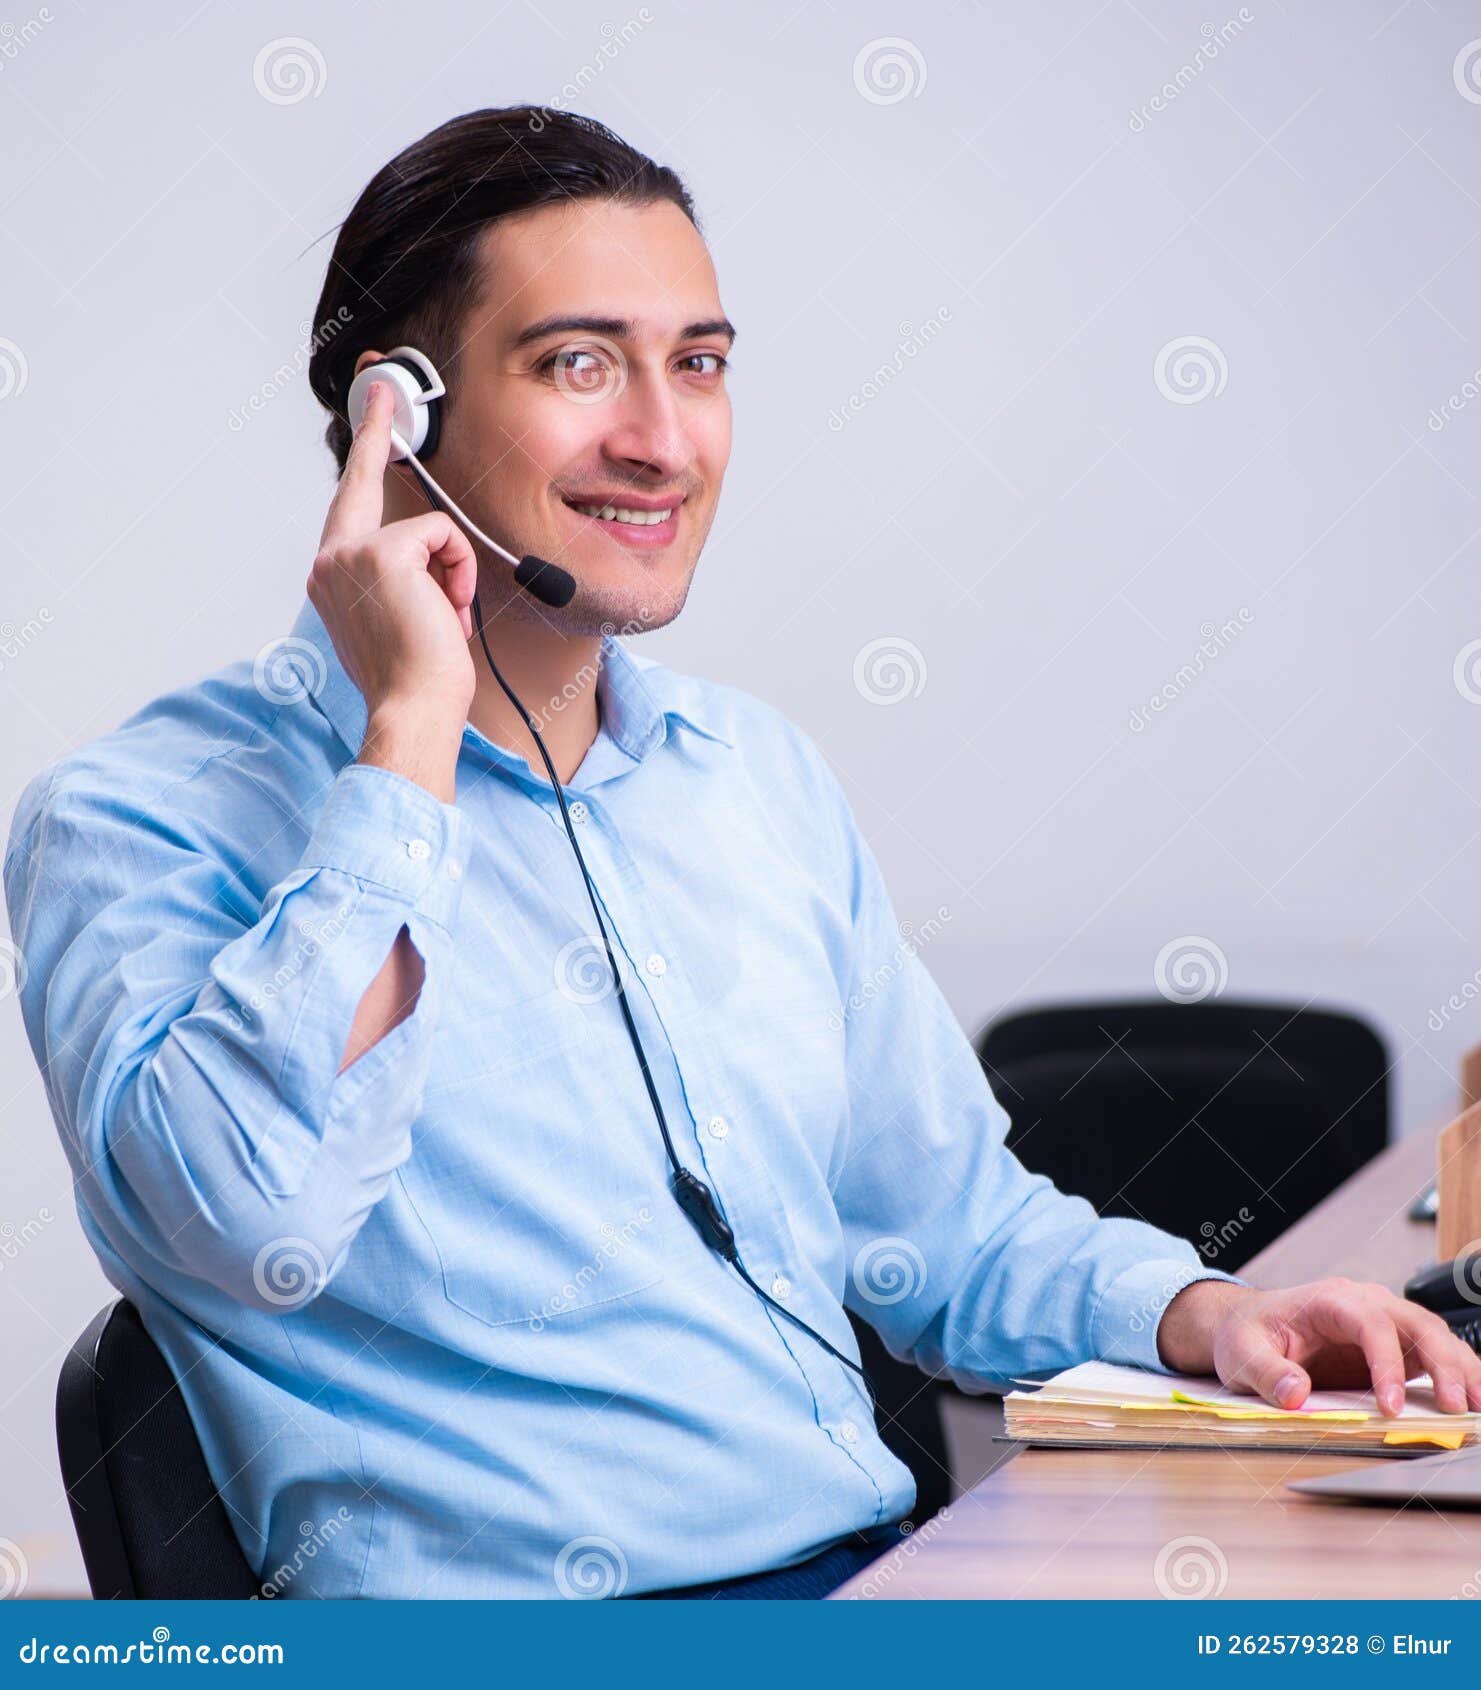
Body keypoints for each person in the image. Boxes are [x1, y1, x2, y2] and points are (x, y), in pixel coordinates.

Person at [7, 107, 1479, 1601]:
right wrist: (407, 738)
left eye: (696, 364)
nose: (661, 438)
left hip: (868, 1583)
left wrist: (1208, 1309)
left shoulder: (752, 777)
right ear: (398, 410)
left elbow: (948, 1227)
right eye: (578, 363)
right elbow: (246, 1221)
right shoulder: (139, 817)